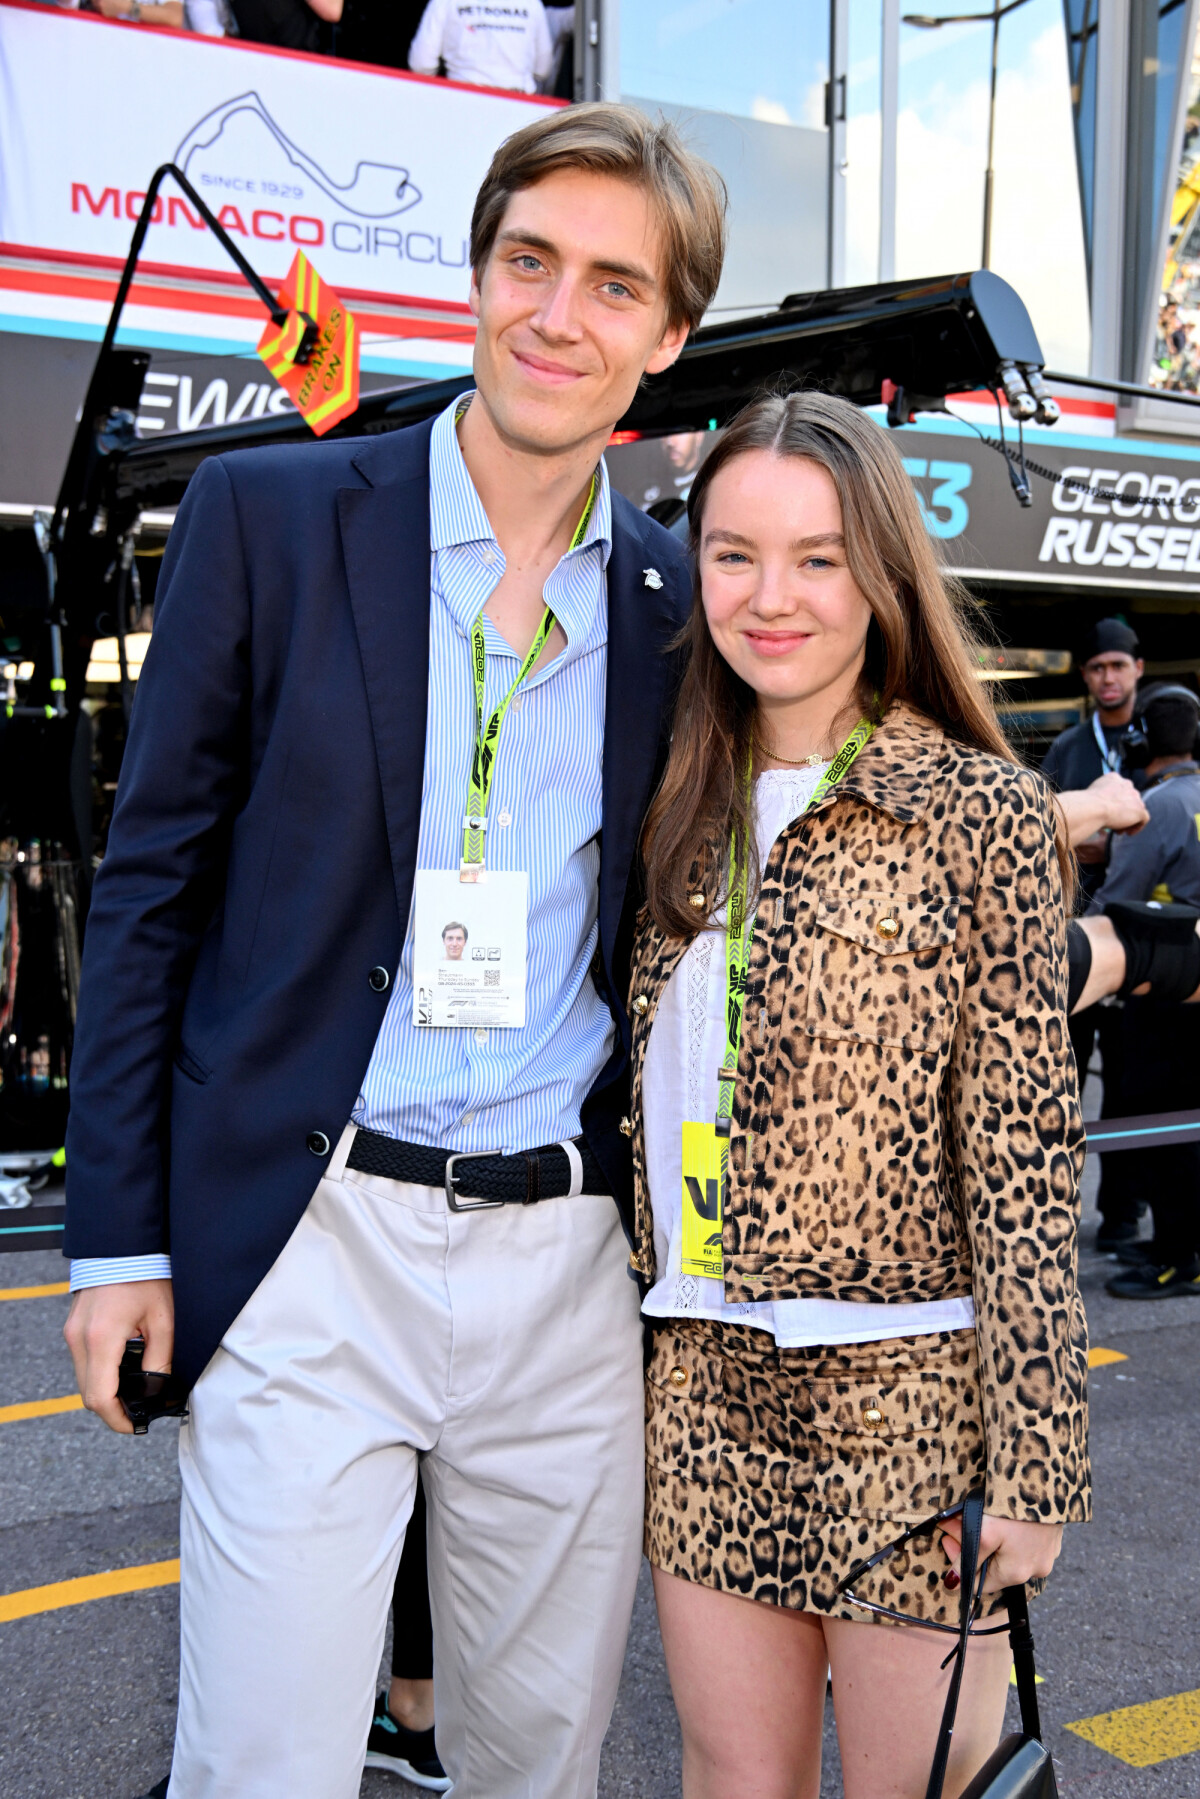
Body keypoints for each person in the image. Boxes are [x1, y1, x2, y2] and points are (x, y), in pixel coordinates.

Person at [63, 103, 726, 1799]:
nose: (557, 315)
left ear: (666, 337)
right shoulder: (268, 516)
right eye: (530, 262)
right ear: (478, 273)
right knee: (258, 1761)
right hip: (312, 1238)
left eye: (614, 285)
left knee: (534, 1761)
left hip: (569, 1265)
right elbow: (150, 889)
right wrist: (118, 1235)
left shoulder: (680, 605)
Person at [627, 392, 1090, 1799]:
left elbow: (1022, 1158)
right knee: (732, 1778)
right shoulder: (672, 800)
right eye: (734, 554)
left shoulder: (979, 811)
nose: (771, 597)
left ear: (881, 571)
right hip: (702, 1381)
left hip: (910, 1400)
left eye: (818, 557)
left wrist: (1036, 1467)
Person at [1088, 685, 1200, 1301]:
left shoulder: (1153, 809)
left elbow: (1116, 904)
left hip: (1161, 995)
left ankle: (1178, 1259)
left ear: (1139, 741)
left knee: (1163, 1128)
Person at [1042, 618, 1147, 1252]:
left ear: (1138, 669)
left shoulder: (1163, 737)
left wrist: (1102, 841)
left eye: (1118, 666)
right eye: (1097, 668)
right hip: (1071, 940)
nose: (1108, 677)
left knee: (1132, 1088)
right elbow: (1042, 832)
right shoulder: (1070, 748)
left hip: (1138, 937)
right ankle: (1056, 1217)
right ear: (1085, 676)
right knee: (1061, 1086)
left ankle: (1122, 1219)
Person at [408, 0, 553, 92]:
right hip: (519, 102)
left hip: (463, 96)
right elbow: (543, 69)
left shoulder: (444, 2)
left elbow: (421, 64)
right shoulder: (532, 3)